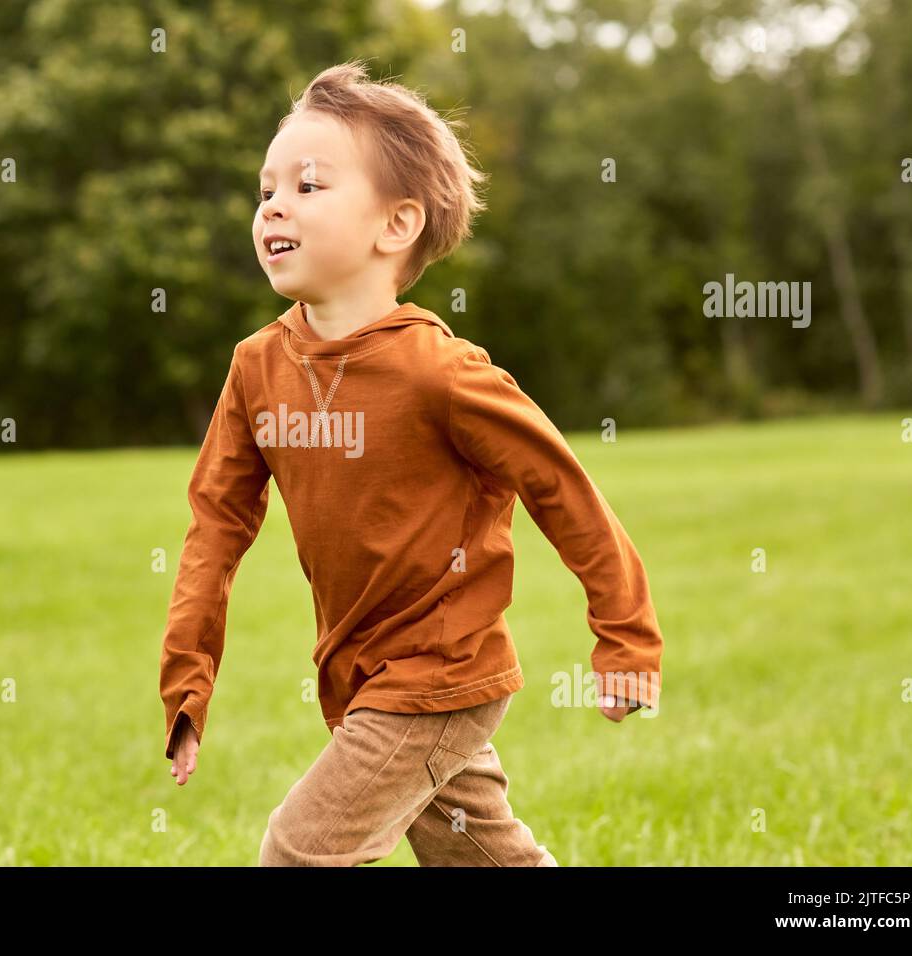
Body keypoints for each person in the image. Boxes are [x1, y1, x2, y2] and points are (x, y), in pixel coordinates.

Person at [158, 59, 664, 866]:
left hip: (440, 671)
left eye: (310, 186)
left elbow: (560, 487)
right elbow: (215, 527)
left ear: (395, 226)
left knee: (298, 850)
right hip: (357, 675)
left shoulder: (441, 372)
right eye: (266, 190)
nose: (274, 206)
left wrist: (625, 640)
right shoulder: (256, 368)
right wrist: (188, 681)